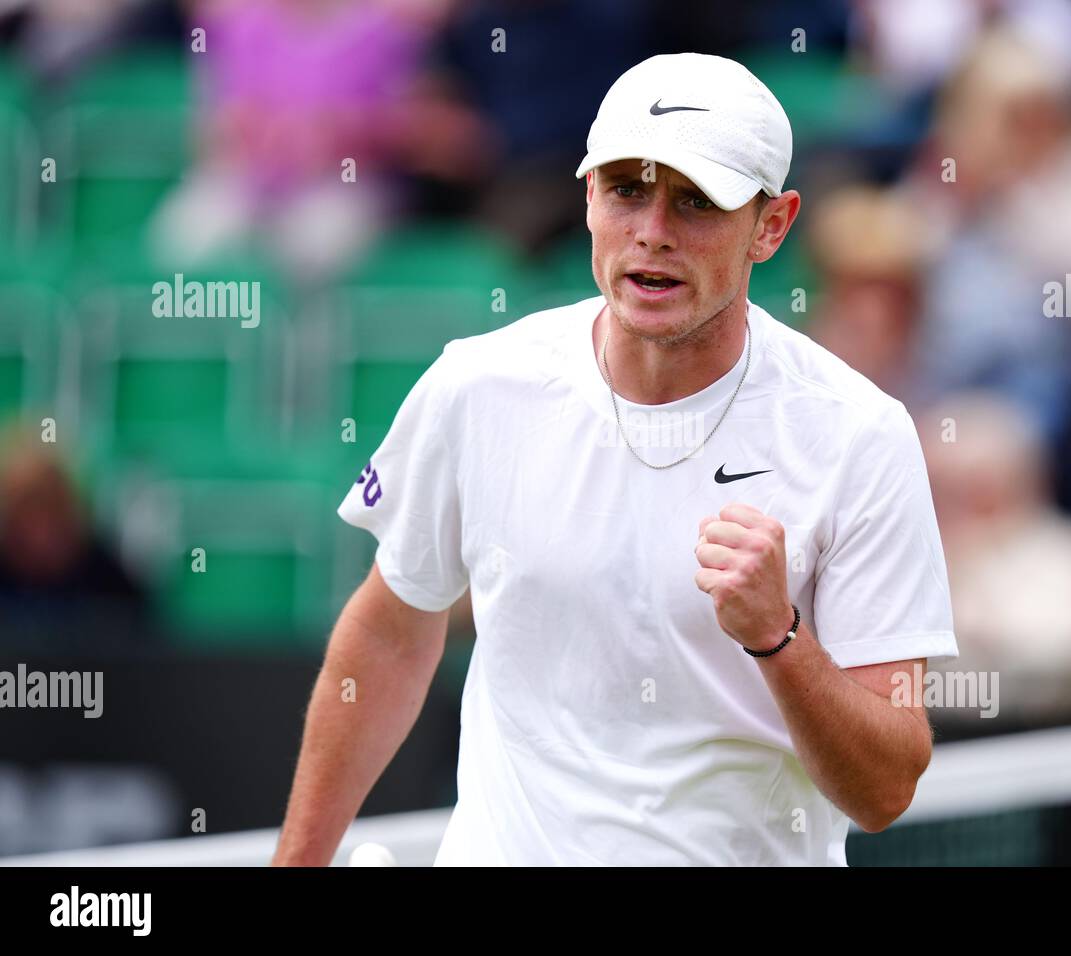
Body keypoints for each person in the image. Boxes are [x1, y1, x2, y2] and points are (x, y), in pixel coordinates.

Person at [272, 52, 958, 867]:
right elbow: (390, 635)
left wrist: (780, 637)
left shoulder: (860, 435)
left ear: (771, 227)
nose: (654, 231)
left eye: (698, 200)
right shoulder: (477, 385)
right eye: (628, 188)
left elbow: (885, 790)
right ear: (588, 197)